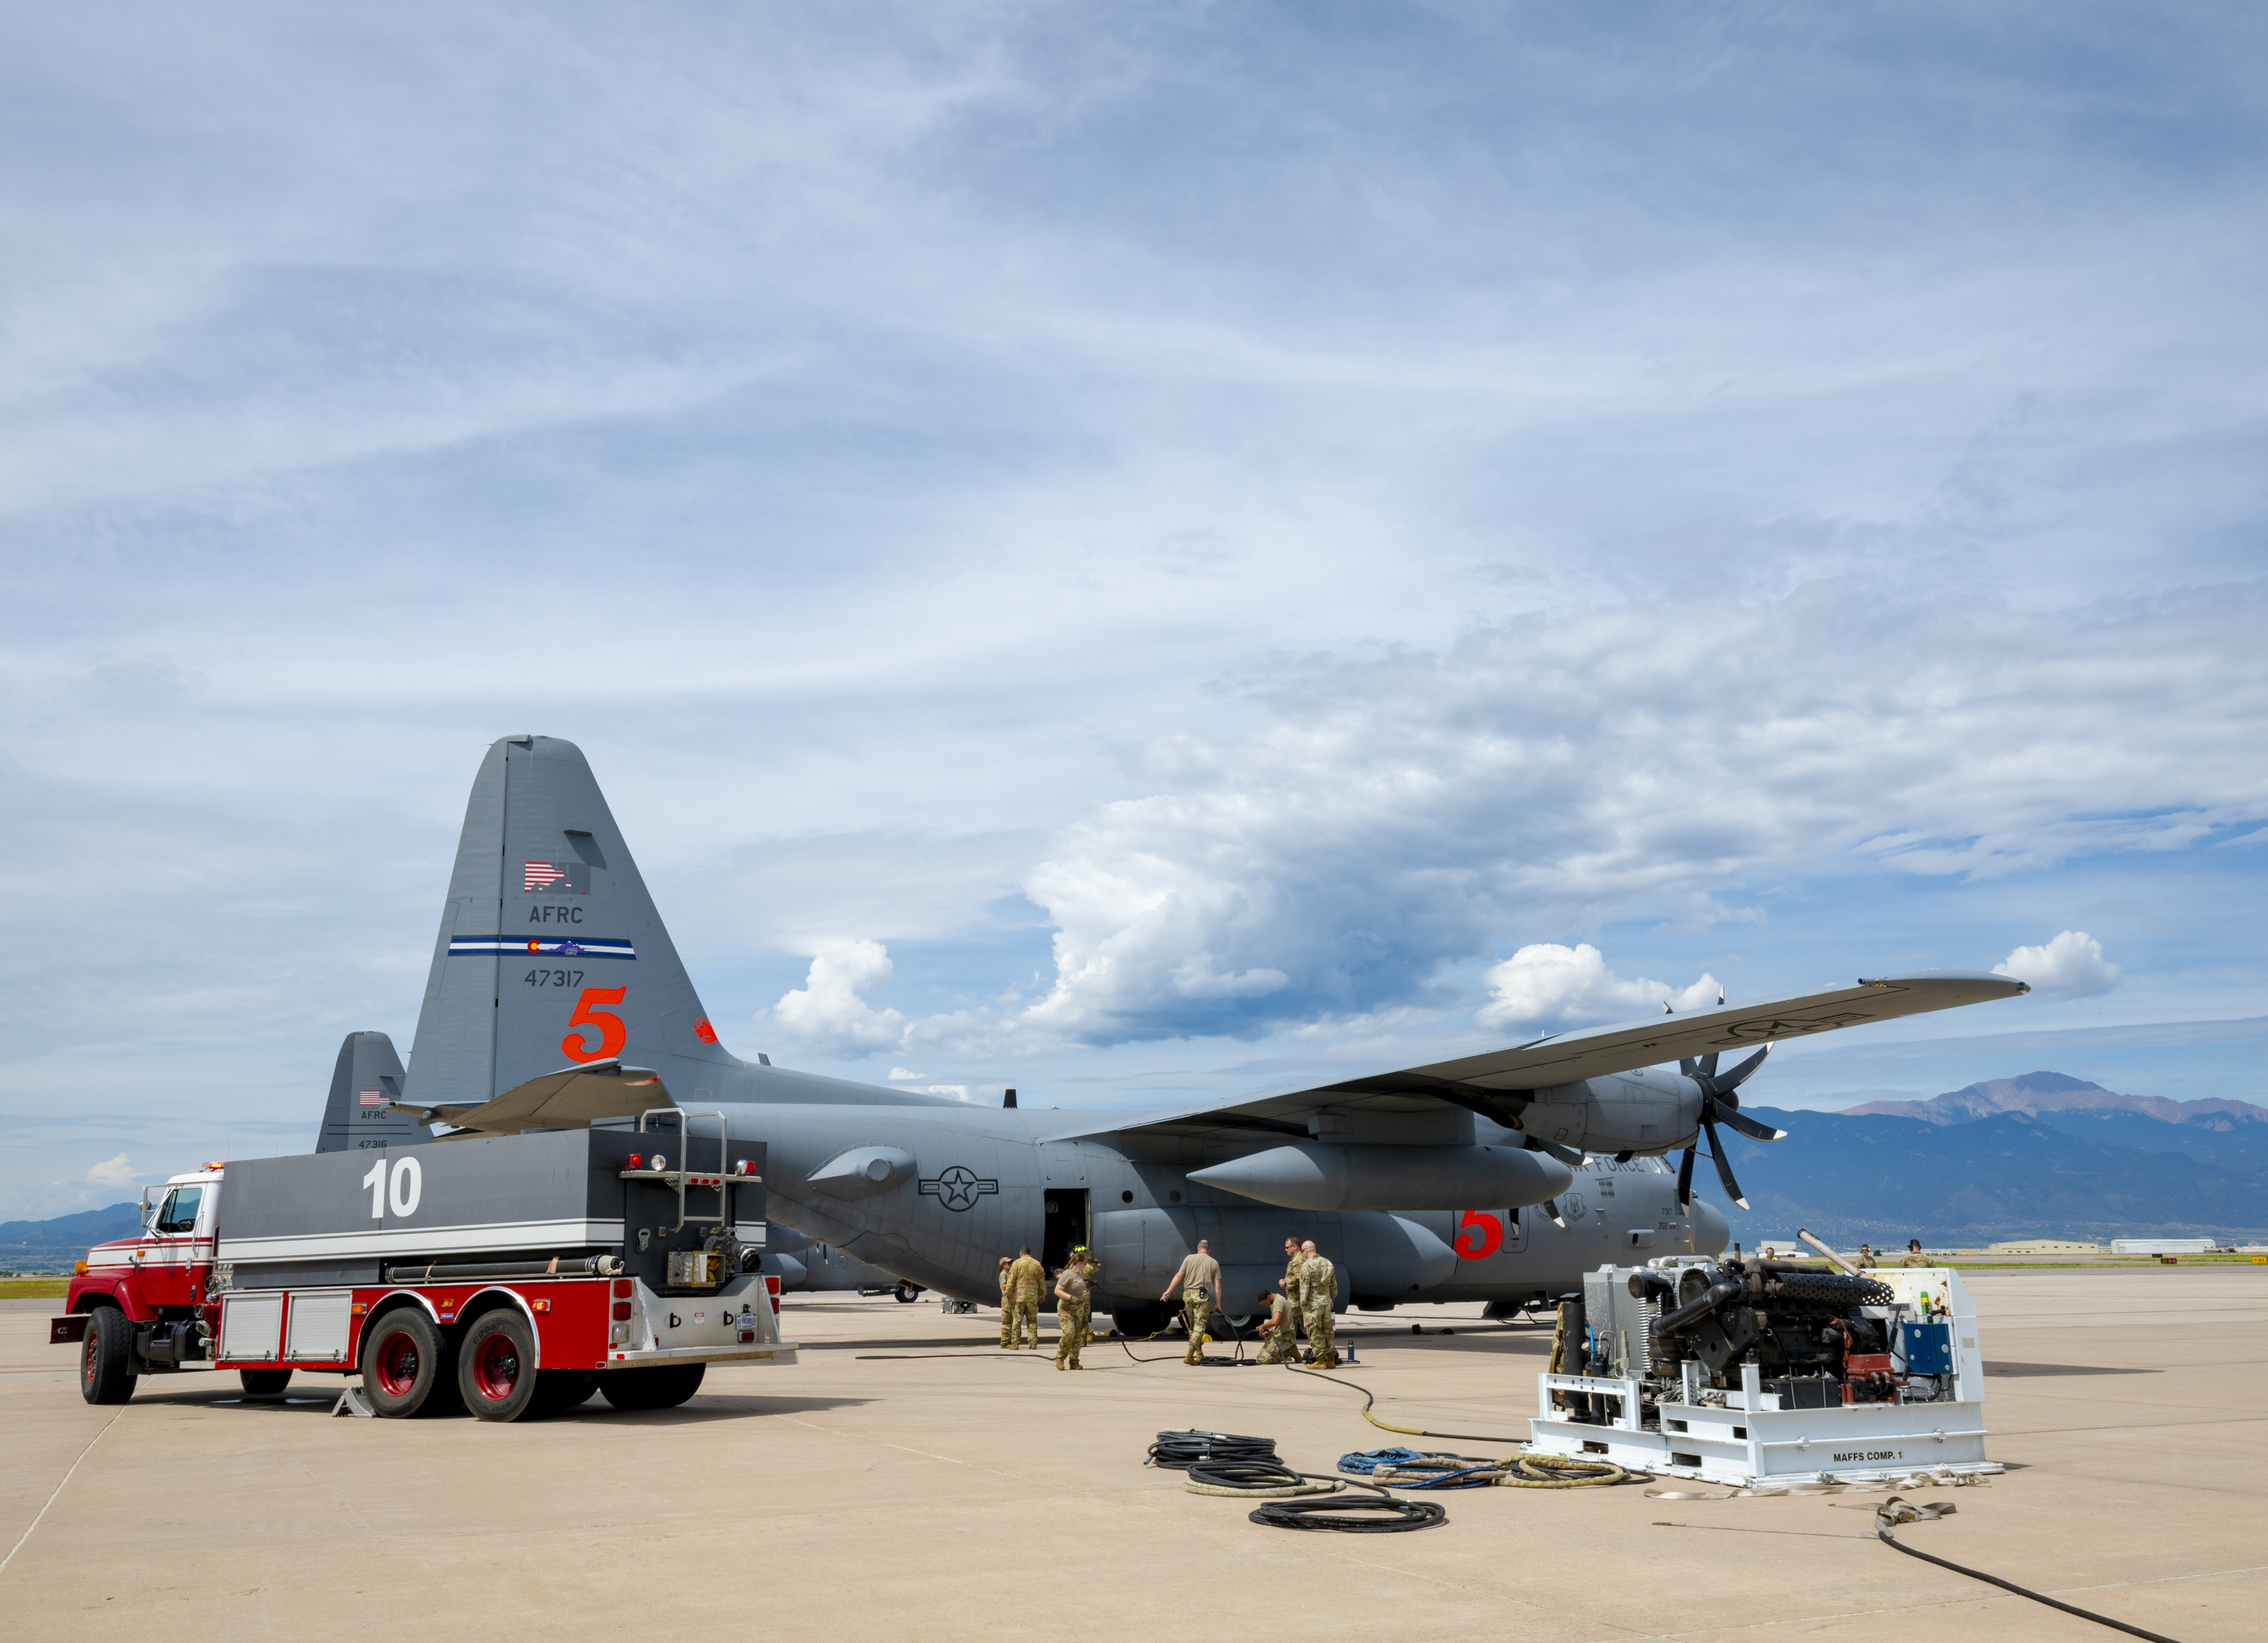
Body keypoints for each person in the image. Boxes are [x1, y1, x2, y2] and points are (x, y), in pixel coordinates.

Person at [1160, 1238, 1222, 1366]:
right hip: (1201, 1298)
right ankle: (1189, 1355)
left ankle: (1199, 1355)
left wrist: (1168, 1291)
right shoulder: (1214, 1262)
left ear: (1198, 1249)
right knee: (1200, 1328)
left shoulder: (1188, 1258)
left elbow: (1179, 1275)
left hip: (1188, 1295)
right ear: (1209, 1250)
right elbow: (1217, 1286)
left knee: (1193, 1328)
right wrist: (1218, 1304)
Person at [1297, 1239, 1337, 1369]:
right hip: (1326, 1303)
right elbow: (1333, 1285)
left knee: (1314, 1331)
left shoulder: (1306, 1266)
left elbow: (1304, 1287)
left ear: (1305, 1251)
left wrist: (1303, 1305)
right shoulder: (1328, 1263)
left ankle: (1320, 1360)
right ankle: (1331, 1359)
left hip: (1312, 1304)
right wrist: (1331, 1300)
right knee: (1328, 1331)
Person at [1054, 1254, 1094, 1370]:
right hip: (1066, 1308)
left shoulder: (1080, 1274)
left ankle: (1074, 1361)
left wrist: (1088, 1286)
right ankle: (1060, 1358)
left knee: (1077, 1336)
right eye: (1085, 1263)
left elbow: (1078, 1288)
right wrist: (1071, 1298)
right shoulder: (1067, 1274)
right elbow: (1057, 1291)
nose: (1085, 1266)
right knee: (1069, 1332)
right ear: (1080, 1263)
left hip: (1078, 1309)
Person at [1006, 1246, 1046, 1348]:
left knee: (1017, 1320)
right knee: (1032, 1320)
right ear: (1029, 1253)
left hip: (1019, 1297)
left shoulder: (1017, 1263)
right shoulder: (1037, 1264)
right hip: (1032, 1298)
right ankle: (1033, 1343)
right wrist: (1042, 1294)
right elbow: (1042, 1280)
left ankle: (1015, 1344)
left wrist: (1008, 1292)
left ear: (1021, 1254)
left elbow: (1011, 1280)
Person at [1256, 1288, 1300, 1366]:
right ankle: (1287, 1351)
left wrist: (1262, 1327)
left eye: (1265, 1303)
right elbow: (1279, 1322)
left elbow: (1275, 1321)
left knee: (1265, 1359)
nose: (1266, 1305)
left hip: (1286, 1336)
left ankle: (1290, 1351)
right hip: (1279, 1335)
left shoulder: (1278, 1302)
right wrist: (1270, 1331)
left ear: (1269, 1297)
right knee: (1260, 1357)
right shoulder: (1273, 1301)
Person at [1281, 1236, 1306, 1344]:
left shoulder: (1298, 1260)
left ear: (1295, 1247)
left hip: (1296, 1300)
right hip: (1296, 1300)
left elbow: (1301, 1277)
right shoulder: (1296, 1259)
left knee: (1289, 1327)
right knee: (1304, 1327)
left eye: (1288, 1247)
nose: (1286, 1250)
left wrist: (1286, 1283)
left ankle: (1288, 1350)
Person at [996, 1256, 1016, 1348]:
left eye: (1010, 1263)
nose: (1010, 1264)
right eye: (1008, 1263)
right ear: (1003, 1265)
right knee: (1007, 1321)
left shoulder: (1008, 1273)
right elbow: (1004, 1286)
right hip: (1006, 1298)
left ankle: (1008, 1342)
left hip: (1010, 1298)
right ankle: (1005, 1343)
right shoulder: (1003, 1274)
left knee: (1010, 1321)